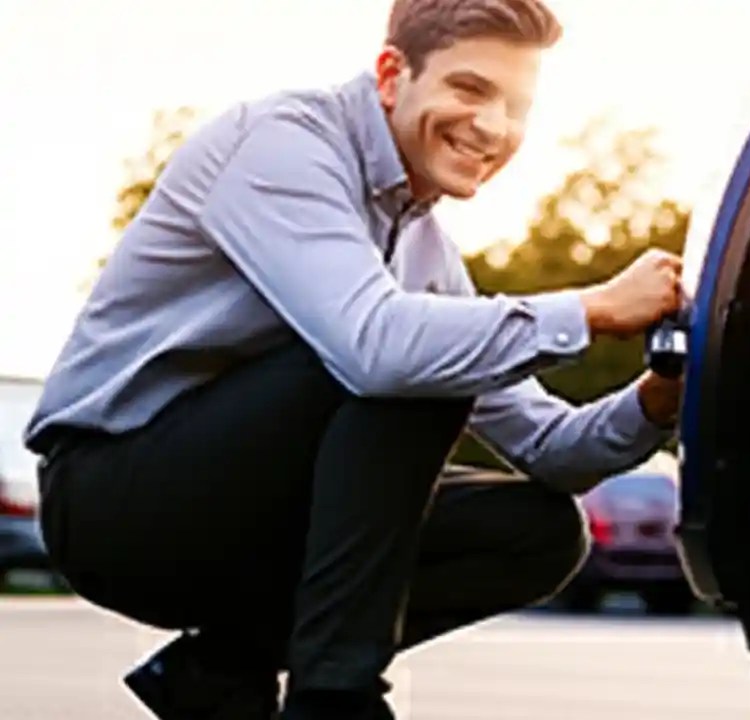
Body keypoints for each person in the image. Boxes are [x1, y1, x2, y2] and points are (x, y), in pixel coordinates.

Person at [24, 0, 685, 718]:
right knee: (412, 361)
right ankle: (336, 700)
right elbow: (377, 352)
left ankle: (222, 665)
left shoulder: (424, 250)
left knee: (540, 533)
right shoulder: (281, 145)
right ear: (391, 75)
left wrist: (657, 398)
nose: (494, 128)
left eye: (516, 106)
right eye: (469, 89)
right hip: (116, 503)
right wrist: (589, 309)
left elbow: (552, 450)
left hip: (258, 524)